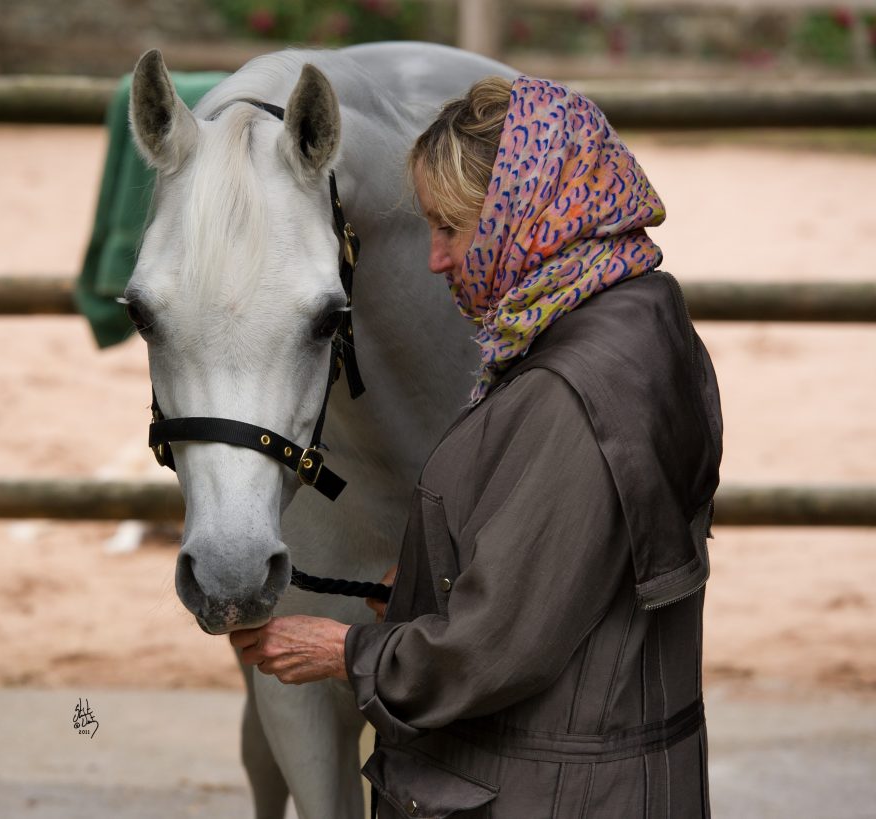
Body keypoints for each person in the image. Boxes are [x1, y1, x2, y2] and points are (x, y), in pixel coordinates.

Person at [230, 74, 722, 817]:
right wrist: (428, 581)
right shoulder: (640, 317)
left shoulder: (571, 392)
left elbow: (498, 646)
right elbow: (576, 574)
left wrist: (345, 651)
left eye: (450, 227)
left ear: (522, 218)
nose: (436, 259)